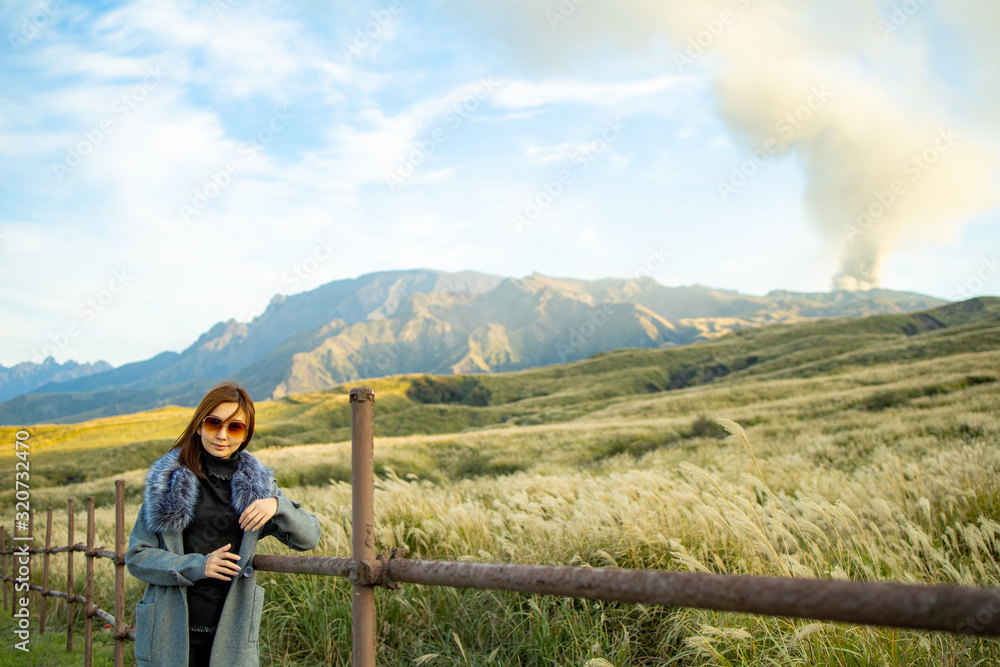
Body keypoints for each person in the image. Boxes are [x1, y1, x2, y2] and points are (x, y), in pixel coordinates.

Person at [126, 380, 321, 667]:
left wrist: (277, 506)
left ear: (246, 434)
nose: (222, 435)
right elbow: (137, 556)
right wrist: (198, 565)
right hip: (169, 631)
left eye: (235, 427)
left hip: (230, 635)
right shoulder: (167, 483)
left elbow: (310, 538)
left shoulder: (259, 488)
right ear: (198, 425)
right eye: (214, 423)